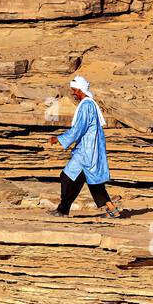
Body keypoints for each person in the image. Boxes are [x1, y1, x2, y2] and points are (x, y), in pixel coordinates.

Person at [50, 75, 121, 218]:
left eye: (75, 90)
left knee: (67, 177)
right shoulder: (88, 104)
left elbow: (79, 129)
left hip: (86, 151)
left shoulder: (87, 106)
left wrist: (59, 138)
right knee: (92, 181)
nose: (73, 94)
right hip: (87, 149)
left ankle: (62, 210)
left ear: (81, 89)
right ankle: (112, 209)